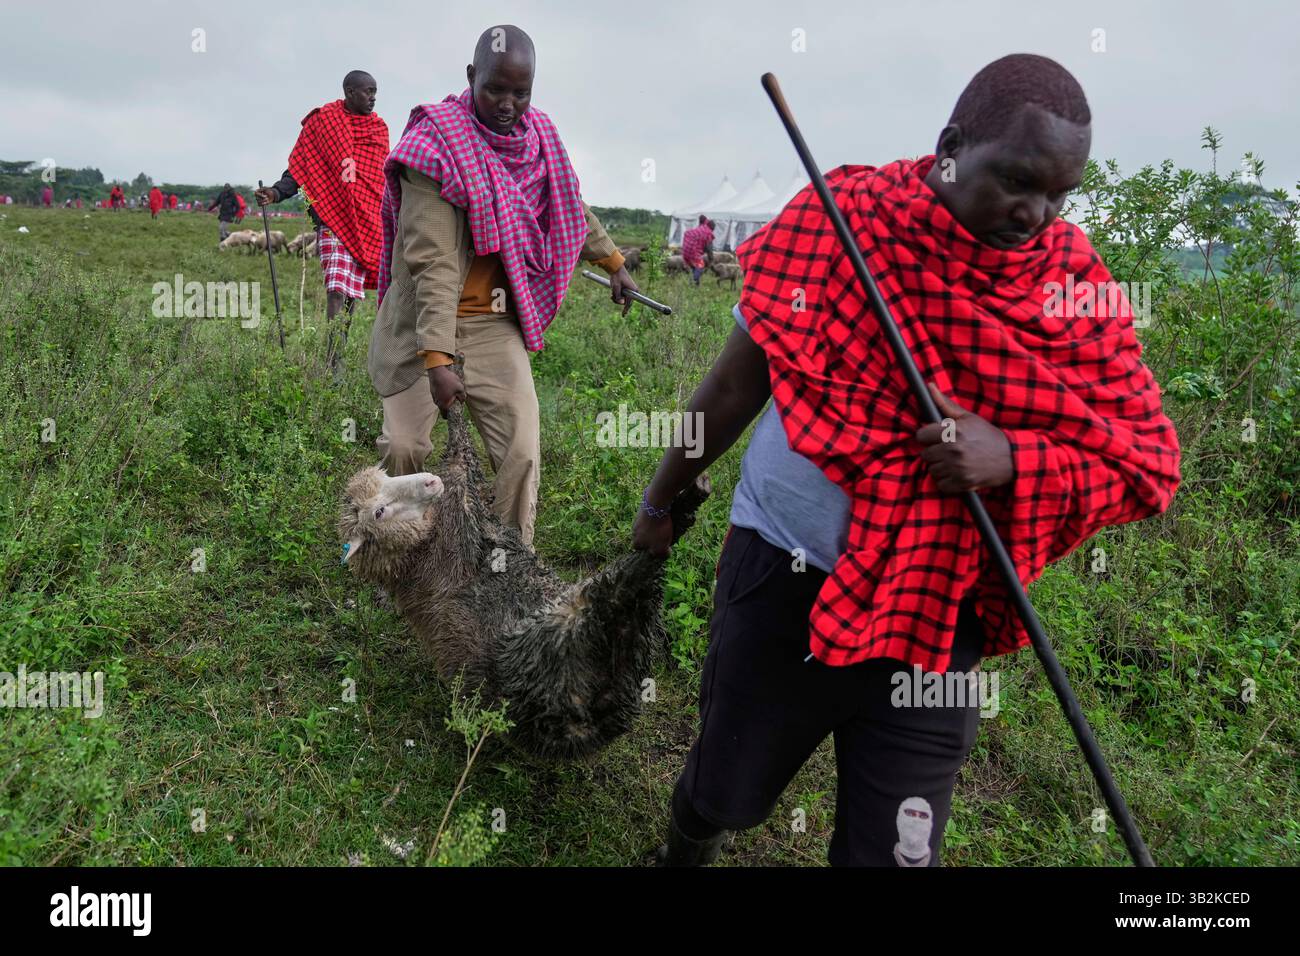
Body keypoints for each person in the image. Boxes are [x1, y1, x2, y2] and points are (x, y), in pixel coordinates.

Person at [634, 53, 1183, 867]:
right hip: (785, 572)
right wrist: (659, 502)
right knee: (724, 785)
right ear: (951, 146)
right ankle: (683, 849)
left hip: (940, 610)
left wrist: (1015, 459)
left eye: (1060, 194)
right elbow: (731, 387)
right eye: (1017, 181)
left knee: (899, 850)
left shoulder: (1071, 283)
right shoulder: (841, 219)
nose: (1037, 213)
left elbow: (1148, 463)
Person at [369, 24, 638, 549]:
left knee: (521, 453)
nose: (508, 103)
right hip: (422, 323)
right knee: (404, 447)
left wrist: (614, 262)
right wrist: (437, 360)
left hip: (494, 323)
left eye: (521, 92)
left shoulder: (540, 142)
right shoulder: (435, 147)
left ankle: (510, 565)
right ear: (472, 77)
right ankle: (393, 557)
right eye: (495, 88)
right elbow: (434, 263)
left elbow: (566, 207)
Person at [256, 70, 388, 373]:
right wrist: (276, 193)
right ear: (349, 92)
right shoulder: (324, 123)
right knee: (337, 288)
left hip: (367, 222)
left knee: (352, 295)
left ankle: (337, 351)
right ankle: (333, 365)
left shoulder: (378, 130)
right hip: (331, 220)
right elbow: (302, 166)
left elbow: (382, 179)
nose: (373, 98)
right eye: (368, 91)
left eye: (375, 92)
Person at [681, 215, 715, 285]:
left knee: (695, 268)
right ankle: (692, 283)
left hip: (685, 251)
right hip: (693, 253)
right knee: (700, 266)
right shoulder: (708, 233)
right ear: (712, 228)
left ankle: (697, 285)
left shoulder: (701, 228)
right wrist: (711, 260)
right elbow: (709, 249)